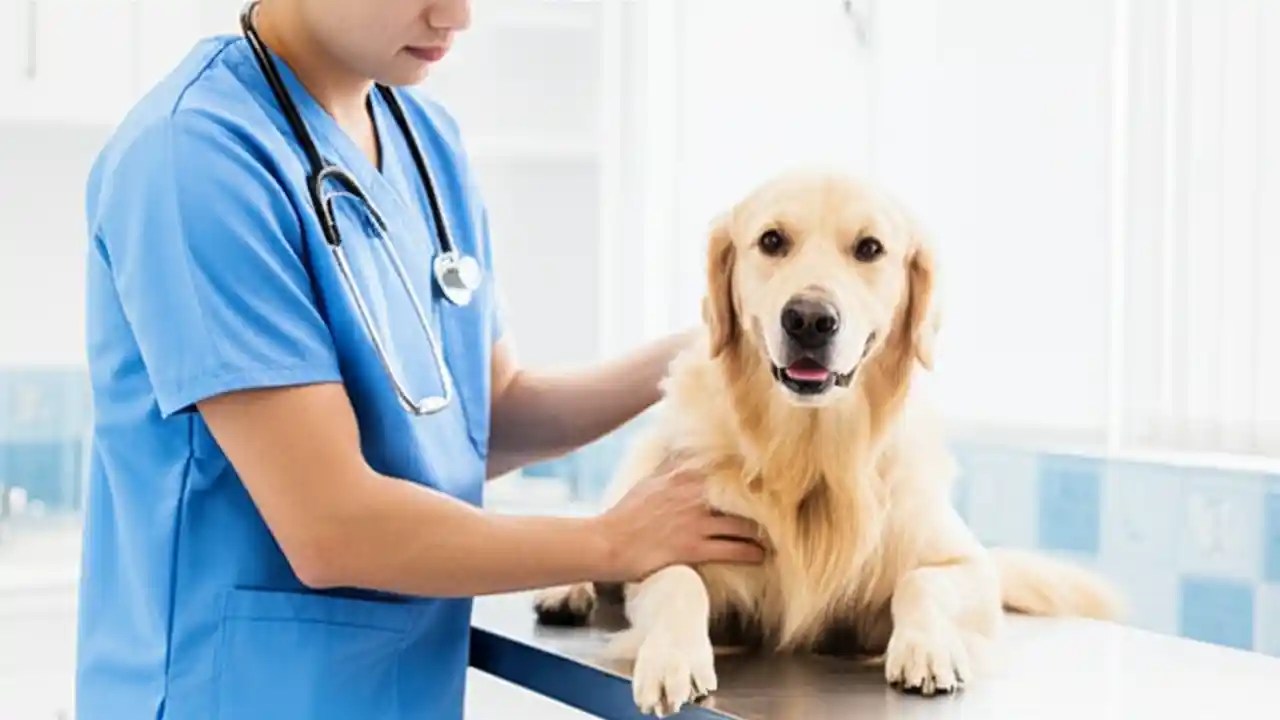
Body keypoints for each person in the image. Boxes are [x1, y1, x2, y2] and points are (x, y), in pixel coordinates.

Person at [74, 1, 765, 718]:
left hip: (401, 695)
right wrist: (610, 542)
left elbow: (486, 419)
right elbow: (330, 526)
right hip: (228, 696)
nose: (457, 16)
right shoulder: (196, 156)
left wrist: (713, 343)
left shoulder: (424, 138)